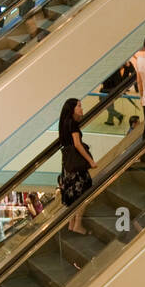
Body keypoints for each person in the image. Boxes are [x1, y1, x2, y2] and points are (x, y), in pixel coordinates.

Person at [58, 97, 96, 234]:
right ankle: (78, 224)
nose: (81, 108)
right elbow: (77, 144)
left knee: (72, 195)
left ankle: (71, 223)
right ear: (72, 109)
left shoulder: (63, 123)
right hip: (77, 167)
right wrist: (90, 161)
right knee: (84, 193)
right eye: (79, 106)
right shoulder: (72, 124)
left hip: (68, 166)